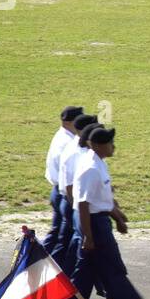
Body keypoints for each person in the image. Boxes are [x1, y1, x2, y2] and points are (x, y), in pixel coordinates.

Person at [57, 127, 150, 299]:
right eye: (109, 142)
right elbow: (84, 205)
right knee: (113, 272)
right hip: (93, 224)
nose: (113, 146)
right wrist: (88, 236)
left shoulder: (98, 163)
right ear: (97, 145)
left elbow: (100, 199)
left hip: (98, 221)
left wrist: (117, 217)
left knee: (85, 277)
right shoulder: (91, 168)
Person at [52, 113, 99, 275]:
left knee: (71, 246)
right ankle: (47, 279)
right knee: (68, 246)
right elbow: (71, 186)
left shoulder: (80, 149)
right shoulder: (76, 152)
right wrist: (77, 210)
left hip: (74, 204)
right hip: (74, 203)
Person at [42, 106, 82, 253]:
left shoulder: (64, 136)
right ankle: (37, 266)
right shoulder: (67, 142)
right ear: (68, 123)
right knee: (63, 239)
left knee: (57, 235)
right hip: (65, 194)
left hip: (59, 191)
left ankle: (36, 265)